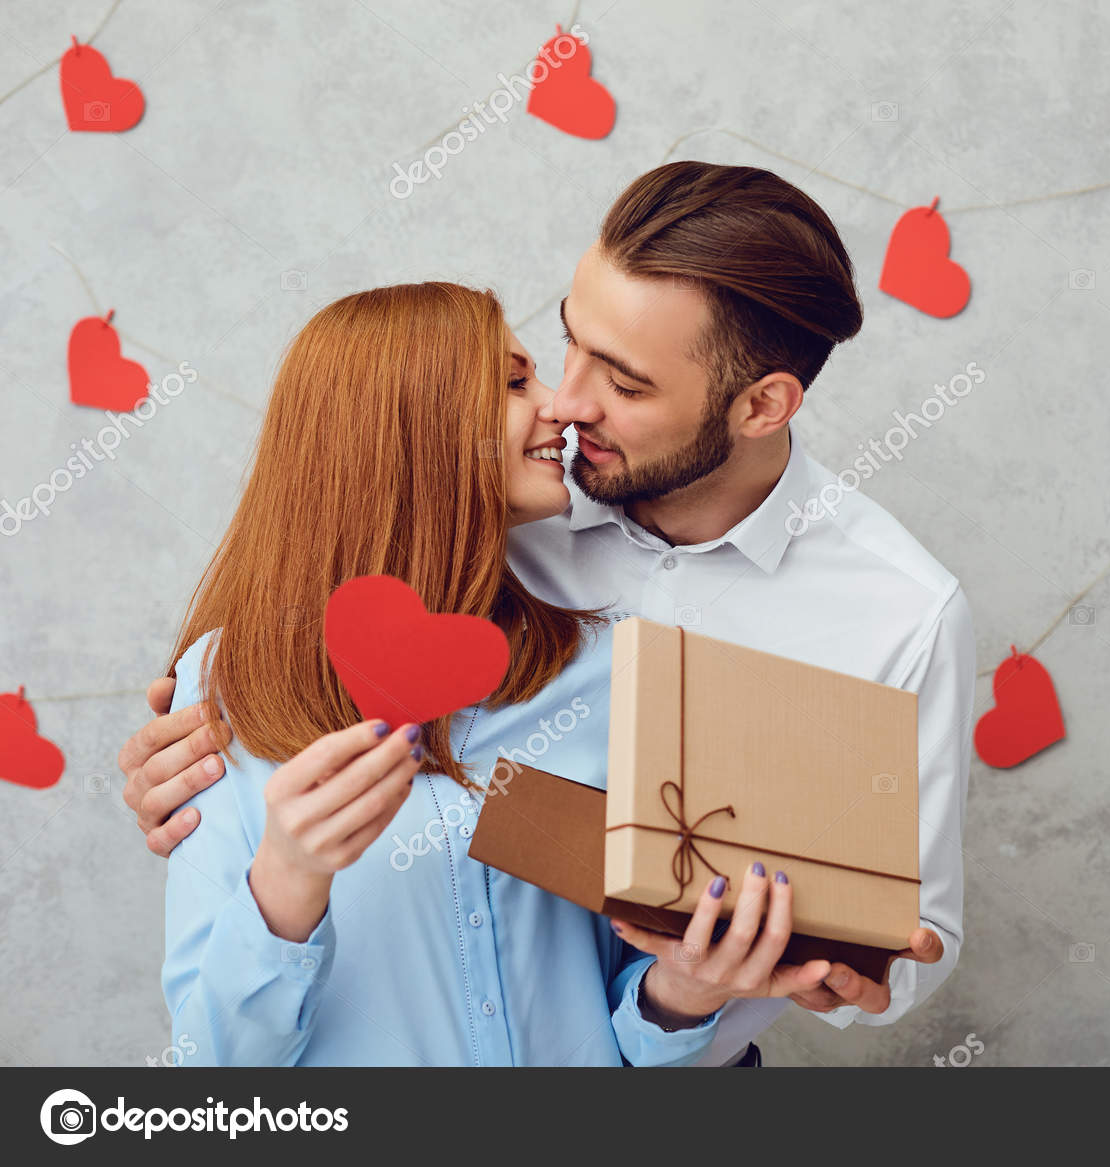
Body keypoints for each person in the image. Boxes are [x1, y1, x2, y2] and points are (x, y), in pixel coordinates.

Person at [122, 162, 975, 1068]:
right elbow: (363, 525)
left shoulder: (901, 613)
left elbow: (907, 946)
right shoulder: (510, 508)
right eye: (563, 347)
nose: (567, 404)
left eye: (626, 382)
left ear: (763, 404)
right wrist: (215, 789)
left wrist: (793, 961)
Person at [158, 282, 827, 1066]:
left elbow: (627, 1029)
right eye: (516, 383)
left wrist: (683, 993)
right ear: (411, 424)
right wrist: (286, 882)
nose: (560, 406)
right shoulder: (228, 683)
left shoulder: (613, 668)